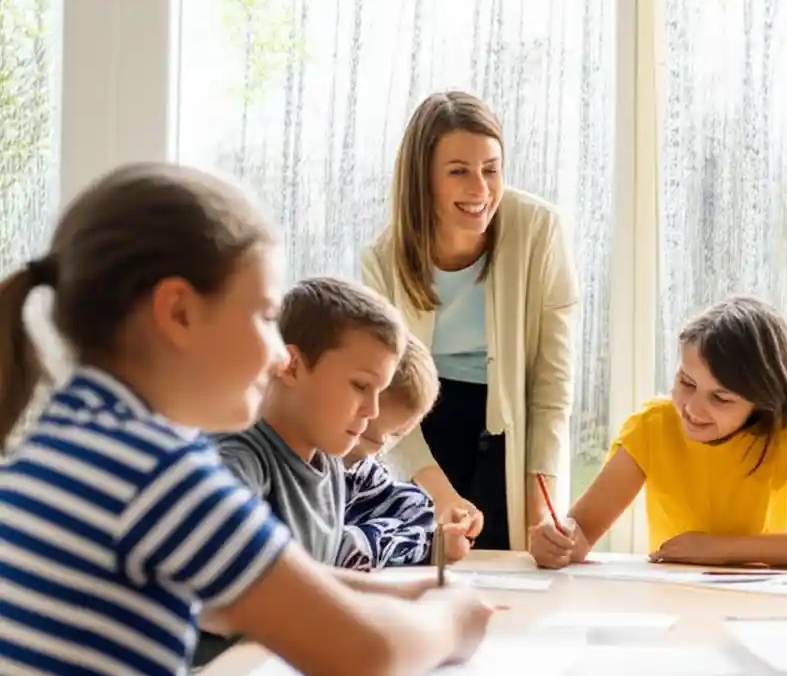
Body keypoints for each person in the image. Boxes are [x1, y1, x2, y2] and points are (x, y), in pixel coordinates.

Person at [0, 163, 490, 675]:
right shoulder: (158, 474)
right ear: (180, 313)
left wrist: (414, 587)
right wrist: (451, 620)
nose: (280, 355)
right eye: (264, 316)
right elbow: (368, 655)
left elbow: (262, 585)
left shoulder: (69, 439)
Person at [363, 91, 578, 550]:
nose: (480, 189)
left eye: (490, 169)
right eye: (459, 171)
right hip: (420, 428)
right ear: (423, 179)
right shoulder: (382, 260)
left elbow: (552, 384)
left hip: (508, 425)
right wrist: (440, 496)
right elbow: (385, 397)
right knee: (432, 567)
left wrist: (540, 514)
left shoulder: (539, 230)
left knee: (513, 569)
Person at [528, 295, 787, 569]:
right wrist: (560, 541)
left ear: (763, 401)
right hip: (675, 604)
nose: (692, 408)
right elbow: (583, 528)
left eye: (720, 397)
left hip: (767, 611)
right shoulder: (654, 425)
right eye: (686, 383)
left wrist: (721, 549)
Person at [341, 333, 477, 571]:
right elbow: (329, 549)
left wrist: (438, 542)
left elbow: (417, 513)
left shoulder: (363, 470)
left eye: (395, 436)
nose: (379, 444)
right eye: (364, 429)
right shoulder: (308, 463)